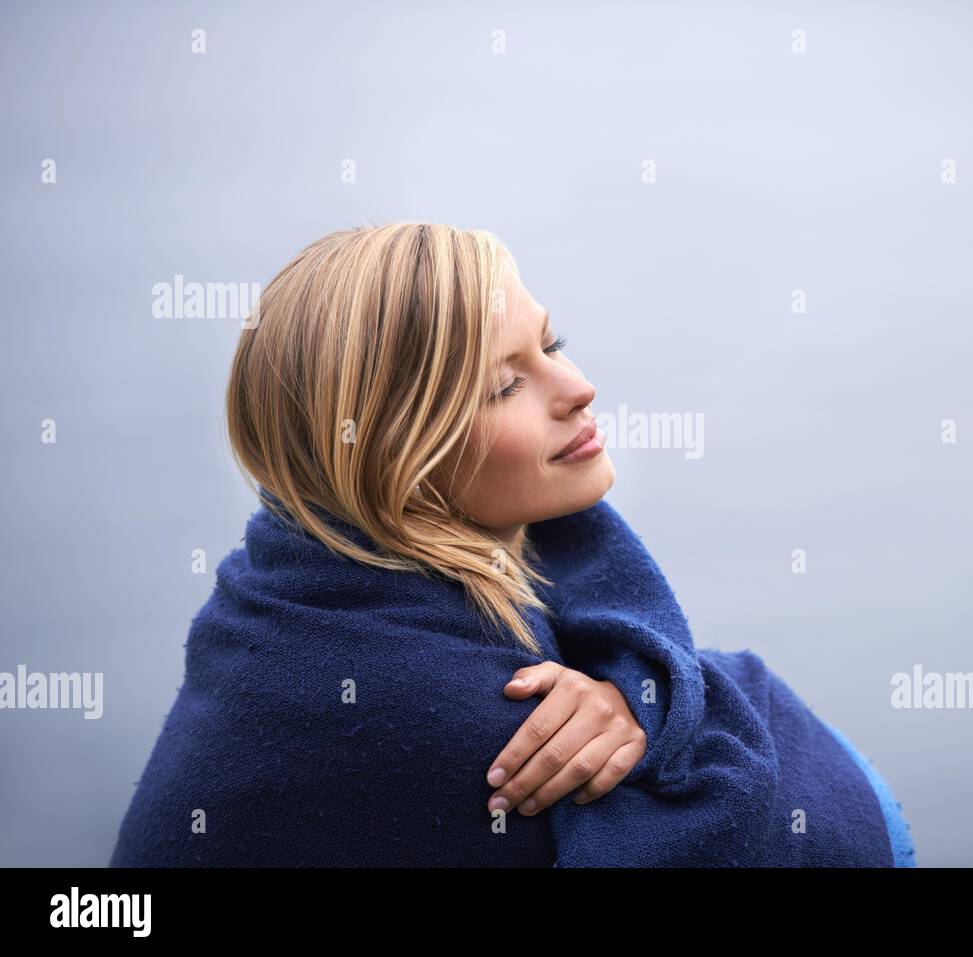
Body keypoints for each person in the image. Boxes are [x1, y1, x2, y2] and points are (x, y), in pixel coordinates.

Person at [109, 222, 912, 866]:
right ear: (396, 454)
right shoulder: (473, 723)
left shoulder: (282, 585)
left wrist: (633, 689)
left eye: (552, 345)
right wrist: (657, 715)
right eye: (504, 384)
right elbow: (773, 826)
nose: (579, 387)